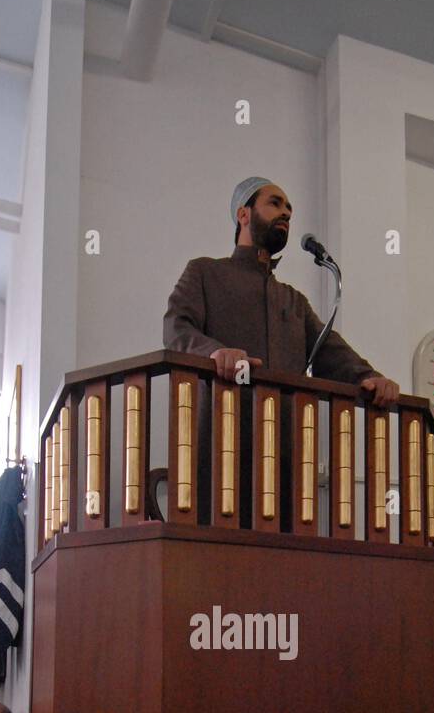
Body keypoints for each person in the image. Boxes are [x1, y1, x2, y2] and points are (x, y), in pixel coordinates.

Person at [164, 178, 400, 527]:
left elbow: (330, 351)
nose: (286, 213)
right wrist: (216, 352)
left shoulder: (292, 300)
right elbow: (176, 327)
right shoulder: (205, 272)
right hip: (222, 441)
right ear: (243, 214)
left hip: (288, 453)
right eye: (275, 203)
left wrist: (369, 377)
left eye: (289, 209)